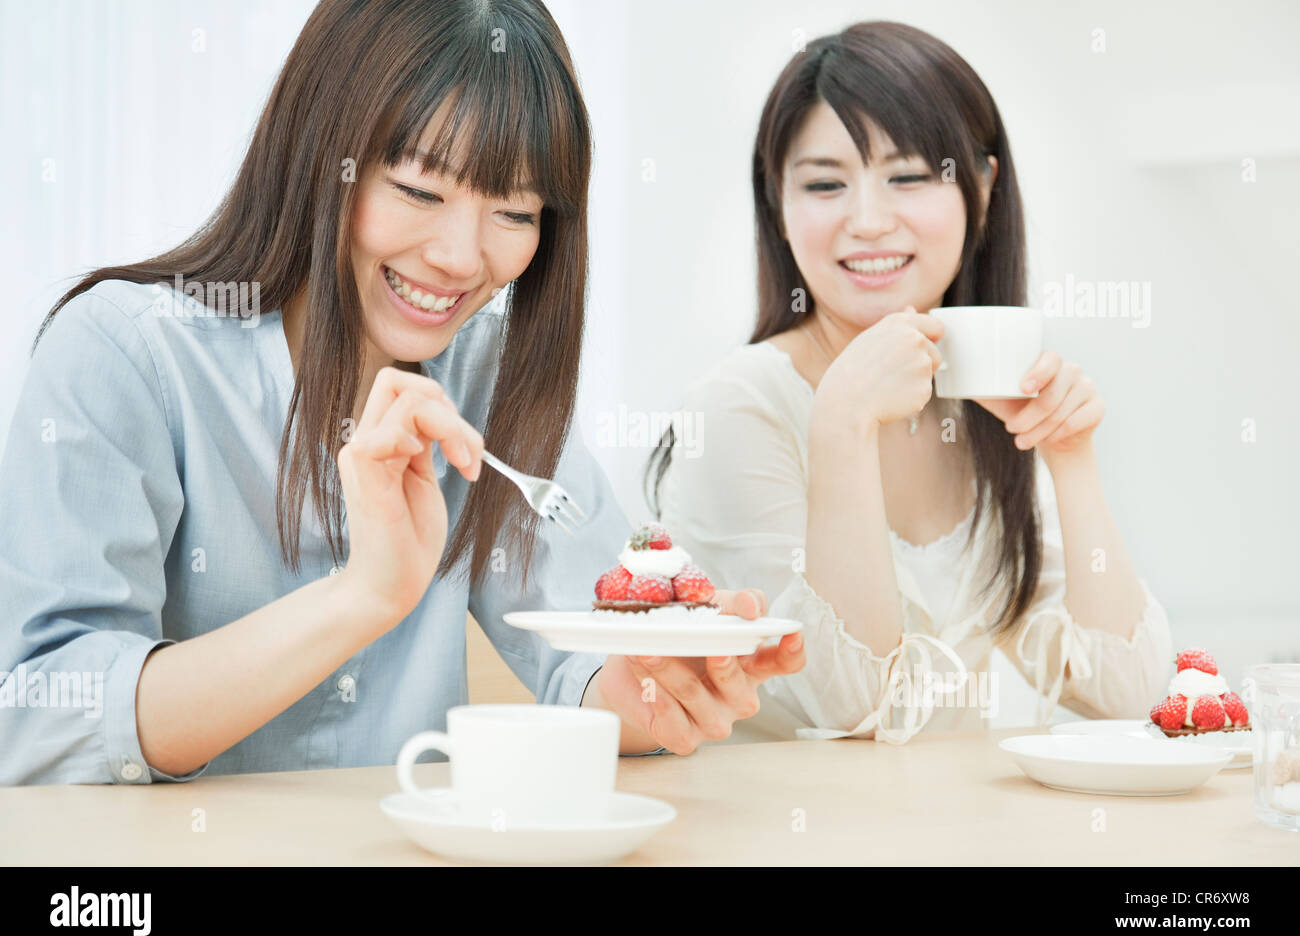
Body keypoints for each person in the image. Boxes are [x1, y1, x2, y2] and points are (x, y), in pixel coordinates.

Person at [0, 0, 803, 786]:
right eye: (420, 190)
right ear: (319, 152)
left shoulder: (489, 376)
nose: (460, 256)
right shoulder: (125, 355)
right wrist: (363, 596)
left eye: (514, 211)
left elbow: (587, 657)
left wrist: (651, 693)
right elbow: (42, 717)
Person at [648, 21, 1171, 744]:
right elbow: (851, 708)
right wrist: (842, 425)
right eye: (826, 183)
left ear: (981, 188)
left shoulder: (984, 396)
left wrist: (1071, 457)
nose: (868, 221)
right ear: (777, 201)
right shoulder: (739, 407)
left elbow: (1129, 694)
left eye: (911, 177)